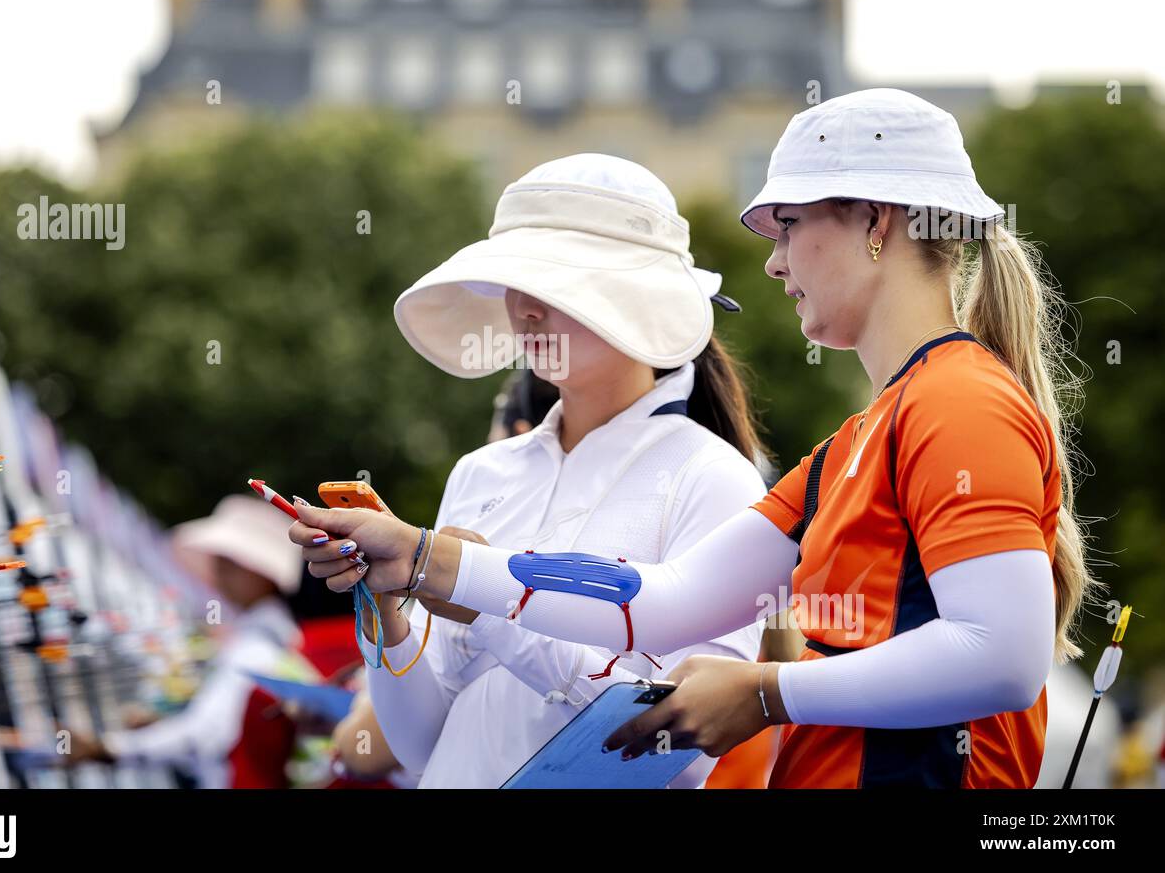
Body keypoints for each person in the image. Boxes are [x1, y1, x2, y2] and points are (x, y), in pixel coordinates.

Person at [293, 90, 1094, 788]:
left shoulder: (958, 399)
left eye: (785, 227)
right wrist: (424, 559)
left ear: (876, 222)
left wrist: (768, 691)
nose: (774, 264)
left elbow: (1003, 656)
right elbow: (665, 599)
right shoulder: (857, 440)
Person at [329, 154, 772, 788]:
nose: (524, 309)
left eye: (554, 285)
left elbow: (679, 743)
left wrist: (481, 597)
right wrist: (385, 608)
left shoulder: (713, 477)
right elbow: (424, 748)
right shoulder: (480, 473)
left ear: (637, 296)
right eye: (516, 281)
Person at [69, 495, 305, 787]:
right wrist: (162, 725)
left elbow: (205, 736)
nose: (217, 573)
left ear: (259, 573)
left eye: (229, 563)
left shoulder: (259, 648)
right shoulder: (269, 640)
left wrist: (111, 748)